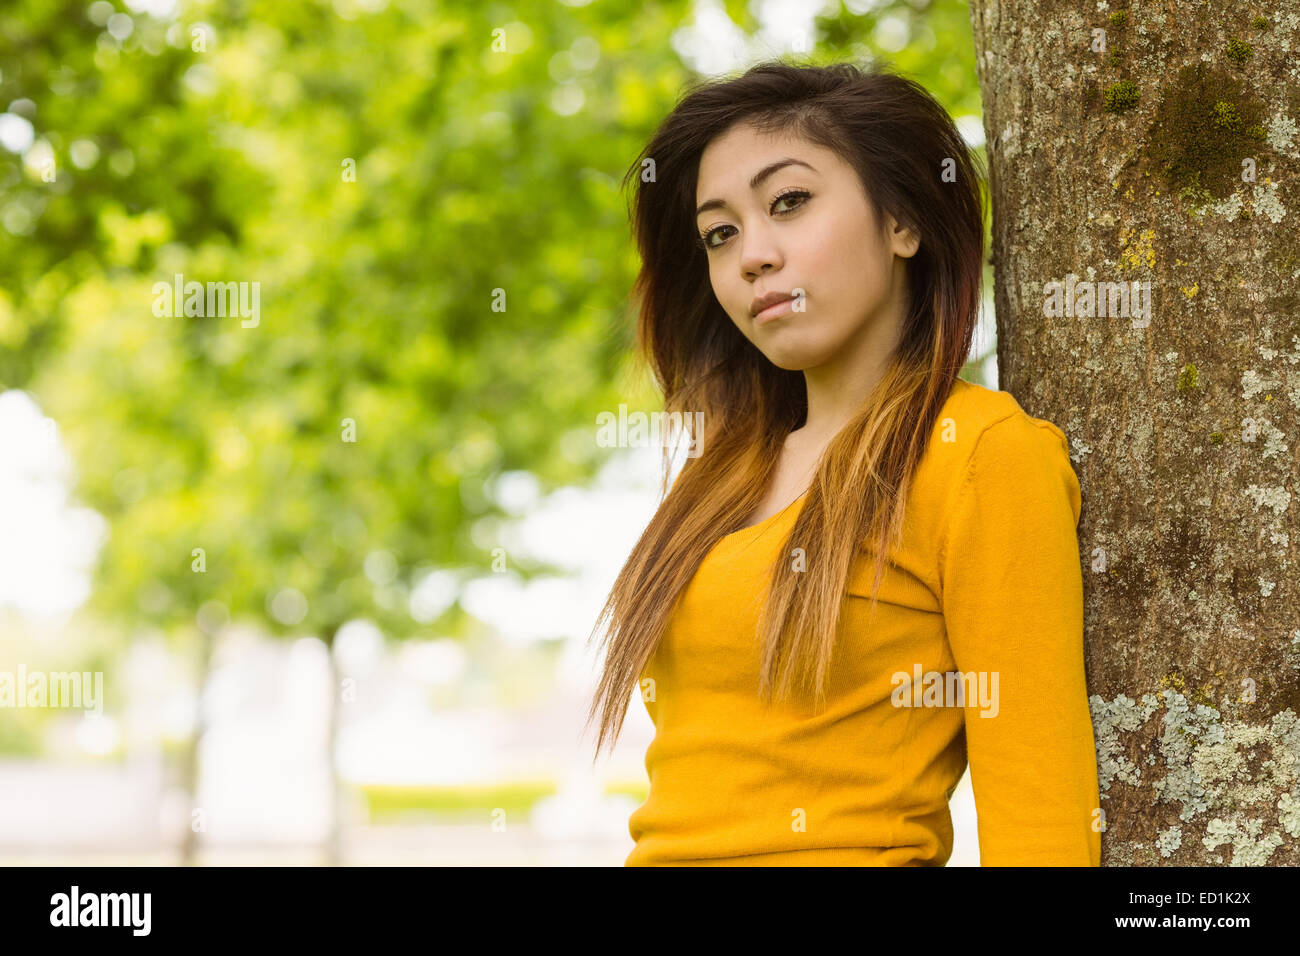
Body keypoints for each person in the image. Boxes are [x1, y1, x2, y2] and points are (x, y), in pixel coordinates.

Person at [583, 59, 1101, 867]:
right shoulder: (718, 475)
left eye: (788, 203)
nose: (752, 255)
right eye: (719, 233)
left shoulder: (980, 455)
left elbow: (1042, 821)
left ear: (902, 221)